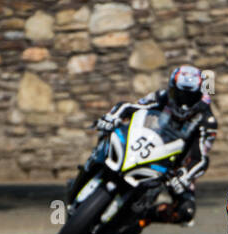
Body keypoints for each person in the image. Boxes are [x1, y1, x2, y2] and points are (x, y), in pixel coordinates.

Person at [66, 65, 218, 225]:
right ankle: (83, 177)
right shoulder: (162, 97)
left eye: (190, 97)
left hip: (173, 169)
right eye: (179, 95)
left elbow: (199, 158)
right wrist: (112, 117)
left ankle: (141, 219)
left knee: (186, 212)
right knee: (107, 137)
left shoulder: (207, 121)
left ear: (200, 94)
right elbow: (133, 107)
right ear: (172, 89)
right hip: (145, 145)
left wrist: (184, 176)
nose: (183, 103)